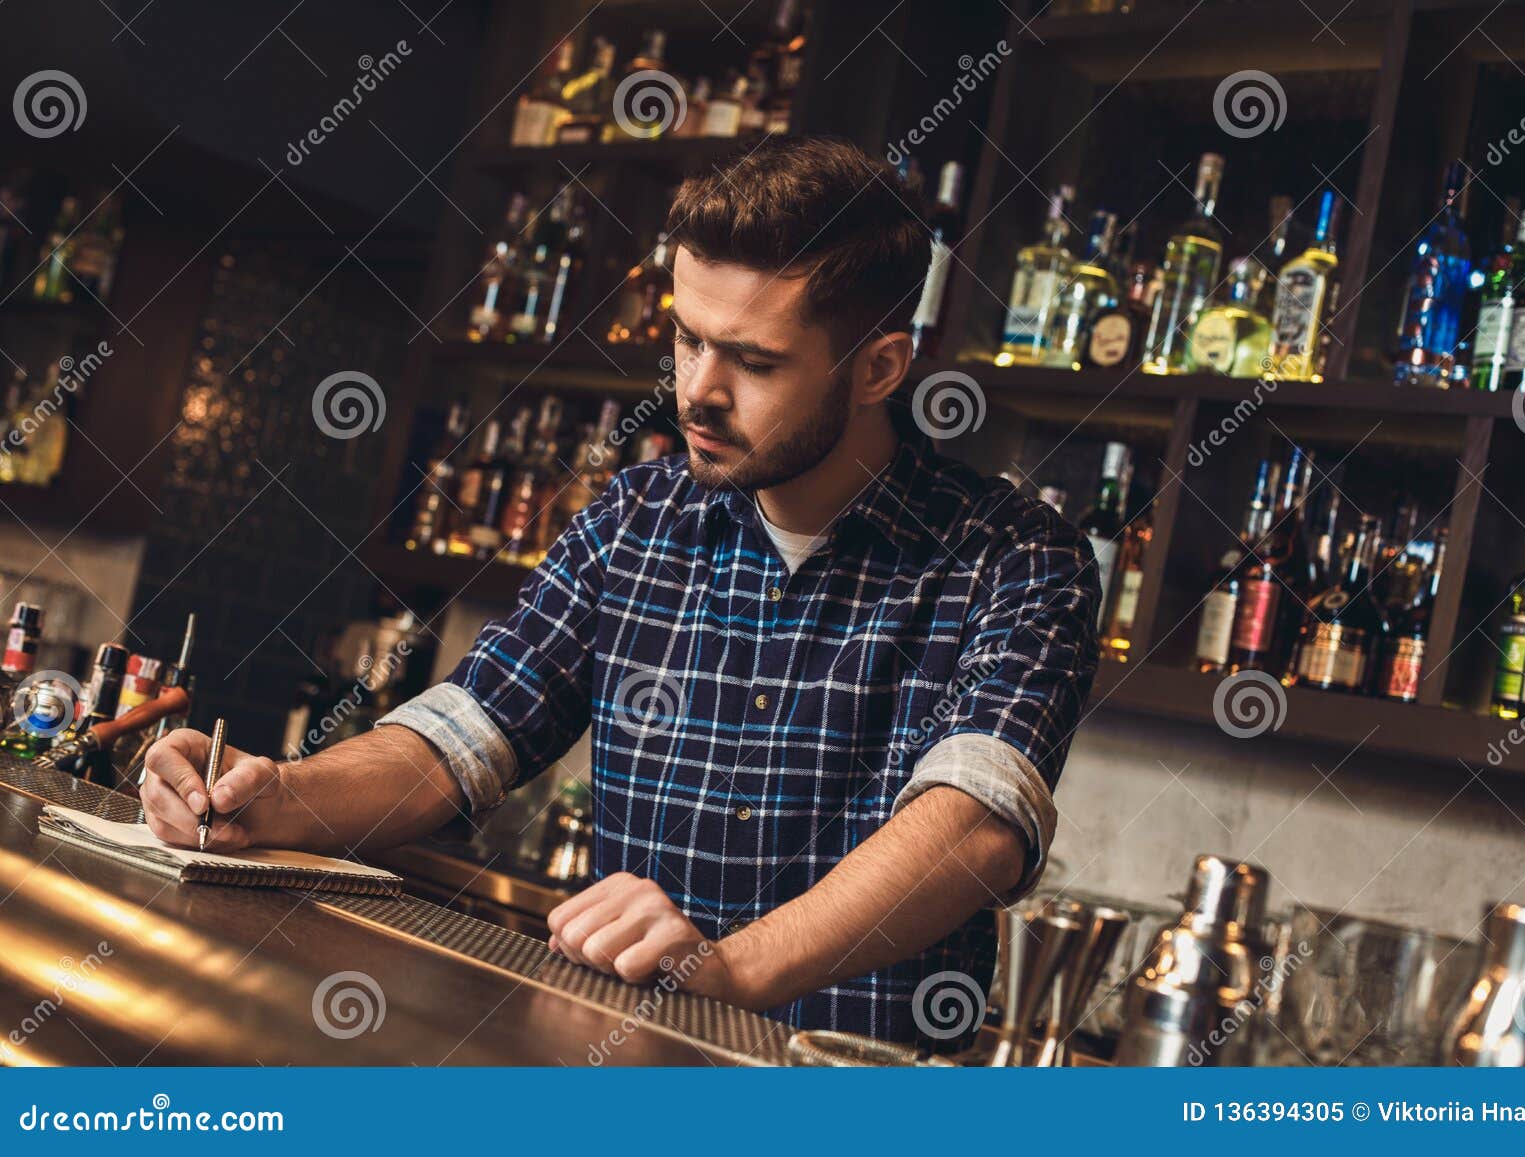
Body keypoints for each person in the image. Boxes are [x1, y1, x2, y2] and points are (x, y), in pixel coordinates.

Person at [142, 136, 1101, 1045]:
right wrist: (275, 798)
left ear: (880, 367)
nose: (697, 392)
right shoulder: (638, 516)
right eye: (687, 341)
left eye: (754, 361)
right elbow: (467, 733)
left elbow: (974, 830)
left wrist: (721, 971)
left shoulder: (1016, 558)